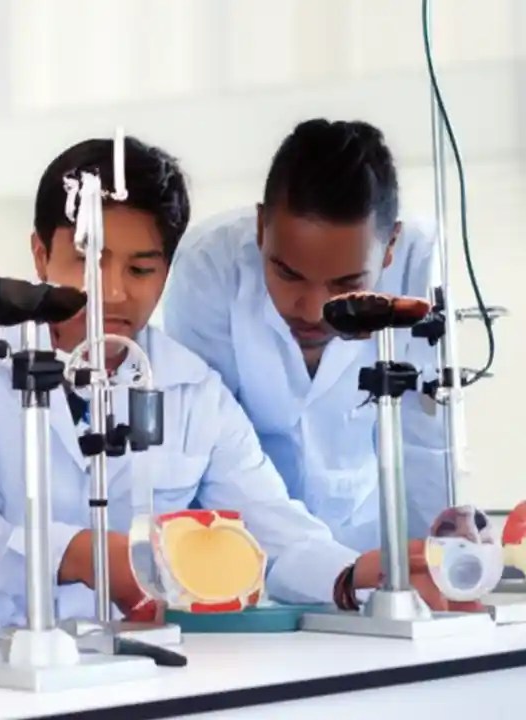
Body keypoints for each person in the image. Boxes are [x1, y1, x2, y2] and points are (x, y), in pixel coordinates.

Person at [0, 138, 460, 631]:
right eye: (88, 261)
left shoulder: (193, 391)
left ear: (167, 270)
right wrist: (80, 554)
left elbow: (271, 529)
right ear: (40, 254)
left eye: (141, 269)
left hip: (141, 658)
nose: (113, 292)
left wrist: (351, 574)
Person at [161, 119, 446, 553]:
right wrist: (315, 568)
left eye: (346, 284)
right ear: (261, 227)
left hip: (372, 541)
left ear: (390, 247)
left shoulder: (421, 266)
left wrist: (434, 559)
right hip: (241, 544)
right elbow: (210, 449)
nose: (313, 311)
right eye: (288, 274)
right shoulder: (209, 268)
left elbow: (426, 442)